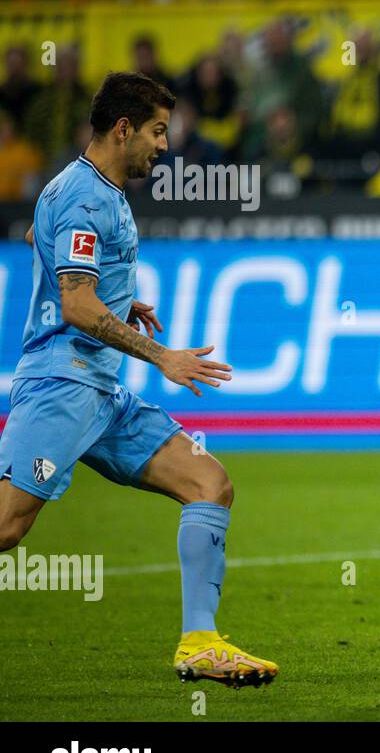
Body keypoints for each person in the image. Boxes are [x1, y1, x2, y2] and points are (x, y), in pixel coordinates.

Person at [0, 72, 278, 688]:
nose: (163, 146)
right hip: (62, 385)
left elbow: (37, 240)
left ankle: (200, 644)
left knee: (209, 482)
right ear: (122, 128)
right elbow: (74, 304)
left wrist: (118, 298)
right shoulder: (86, 196)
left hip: (101, 392)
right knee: (7, 526)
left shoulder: (89, 189)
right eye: (156, 132)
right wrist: (162, 356)